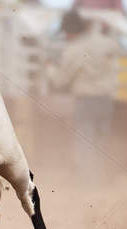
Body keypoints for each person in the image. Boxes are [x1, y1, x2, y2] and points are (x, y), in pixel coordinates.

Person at [51, 10, 120, 176]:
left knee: (85, 142)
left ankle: (88, 181)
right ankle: (101, 177)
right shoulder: (106, 43)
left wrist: (50, 70)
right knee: (101, 141)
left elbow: (61, 81)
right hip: (106, 99)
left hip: (85, 100)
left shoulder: (74, 50)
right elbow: (114, 49)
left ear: (70, 31)